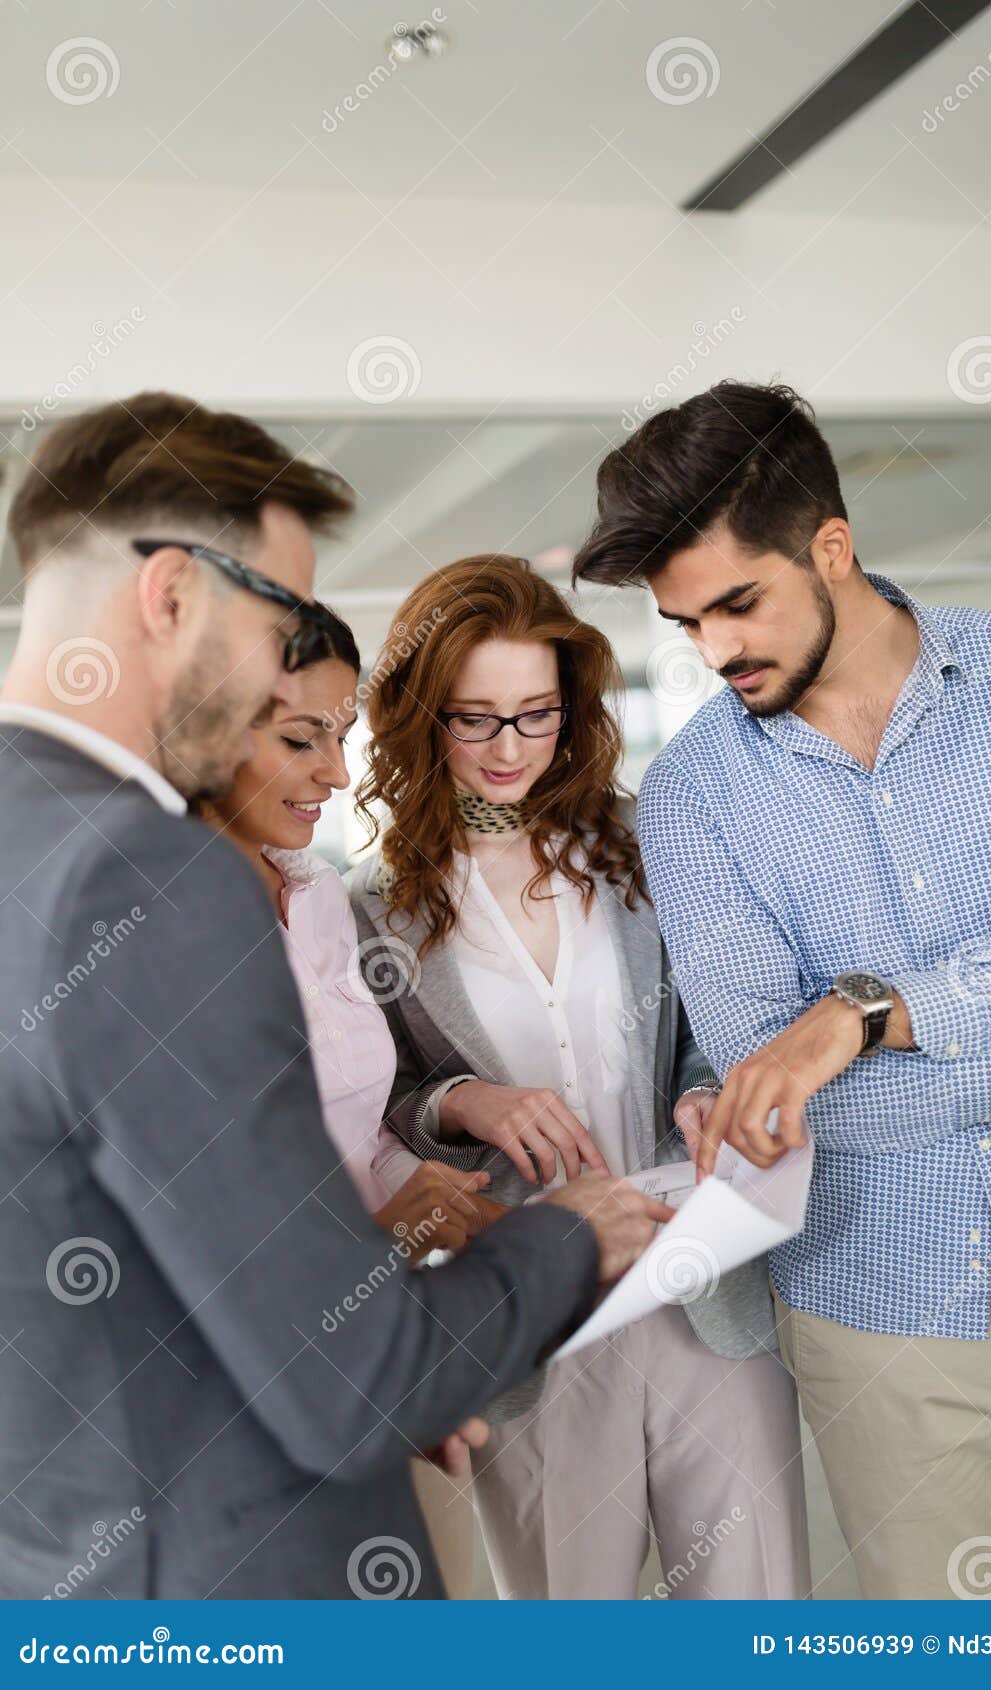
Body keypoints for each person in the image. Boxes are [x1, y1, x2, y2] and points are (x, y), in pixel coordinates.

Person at [0, 394, 671, 1601]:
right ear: (171, 596)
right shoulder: (145, 873)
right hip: (242, 1580)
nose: (278, 675)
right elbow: (354, 1375)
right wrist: (569, 1235)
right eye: (281, 621)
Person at [572, 378, 991, 1601]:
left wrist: (855, 1016)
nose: (714, 651)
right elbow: (777, 1100)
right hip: (871, 1299)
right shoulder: (690, 798)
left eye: (736, 604)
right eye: (685, 623)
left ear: (829, 548)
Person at [349, 555, 810, 1601]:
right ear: (422, 717)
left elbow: (713, 1024)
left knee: (748, 1618)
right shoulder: (370, 908)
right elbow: (375, 1110)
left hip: (702, 1290)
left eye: (536, 713)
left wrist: (702, 1089)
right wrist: (461, 1100)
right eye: (473, 718)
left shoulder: (648, 849)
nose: (508, 749)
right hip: (531, 1317)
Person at [196, 600, 494, 1595]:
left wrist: (458, 1205)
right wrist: (377, 1237)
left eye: (340, 736)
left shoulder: (320, 896)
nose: (333, 771)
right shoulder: (130, 927)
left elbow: (357, 1131)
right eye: (300, 738)